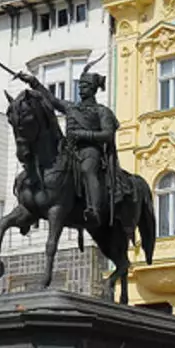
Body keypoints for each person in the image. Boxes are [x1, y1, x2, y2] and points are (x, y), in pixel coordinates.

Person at [16, 62, 122, 228]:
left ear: (93, 89)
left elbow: (108, 135)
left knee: (87, 170)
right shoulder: (71, 107)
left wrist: (83, 134)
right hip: (69, 150)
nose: (81, 89)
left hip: (90, 150)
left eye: (85, 86)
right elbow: (51, 99)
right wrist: (33, 82)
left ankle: (94, 209)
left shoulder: (102, 111)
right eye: (80, 86)